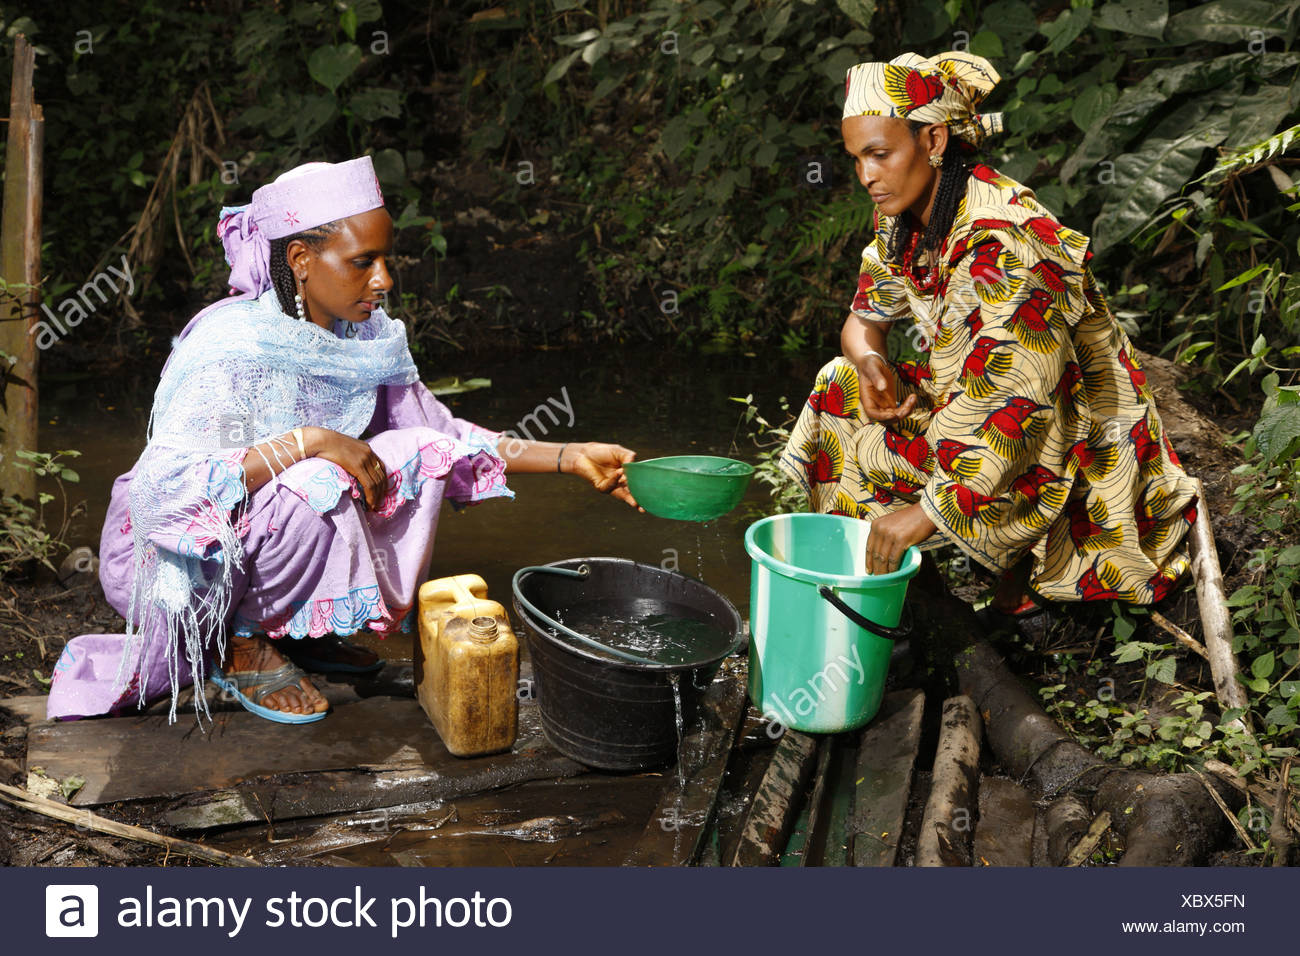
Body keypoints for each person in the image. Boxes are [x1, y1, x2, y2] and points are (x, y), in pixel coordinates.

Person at [47, 156, 638, 724]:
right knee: (324, 475)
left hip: (267, 529)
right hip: (180, 562)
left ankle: (298, 632)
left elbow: (443, 436)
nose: (383, 280)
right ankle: (236, 643)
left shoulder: (367, 338)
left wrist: (568, 456)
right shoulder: (231, 348)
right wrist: (311, 440)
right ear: (301, 259)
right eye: (363, 261)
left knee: (408, 451)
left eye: (386, 258)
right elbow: (167, 492)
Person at [779, 52, 1198, 612]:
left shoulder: (1004, 243)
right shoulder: (902, 218)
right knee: (841, 384)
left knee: (974, 452)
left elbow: (1018, 403)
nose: (866, 177)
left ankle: (1014, 578)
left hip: (1067, 443)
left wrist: (926, 513)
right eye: (857, 158)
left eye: (879, 155)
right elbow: (863, 320)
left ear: (933, 141)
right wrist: (870, 362)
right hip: (977, 412)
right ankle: (865, 585)